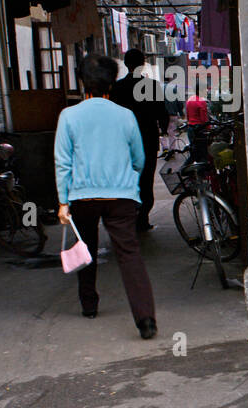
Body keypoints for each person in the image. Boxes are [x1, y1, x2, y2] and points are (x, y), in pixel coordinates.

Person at [55, 54, 157, 339]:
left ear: (83, 82)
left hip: (82, 197)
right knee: (129, 254)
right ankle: (146, 319)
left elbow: (62, 162)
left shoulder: (68, 116)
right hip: (121, 197)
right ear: (111, 83)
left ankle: (89, 305)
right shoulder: (125, 116)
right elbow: (139, 159)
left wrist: (64, 201)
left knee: (85, 248)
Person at [110, 49, 170, 231]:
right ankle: (142, 218)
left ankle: (128, 217)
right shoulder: (151, 86)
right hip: (147, 139)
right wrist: (164, 129)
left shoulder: (117, 88)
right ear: (143, 64)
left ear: (126, 64)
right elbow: (162, 113)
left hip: (124, 141)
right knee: (146, 180)